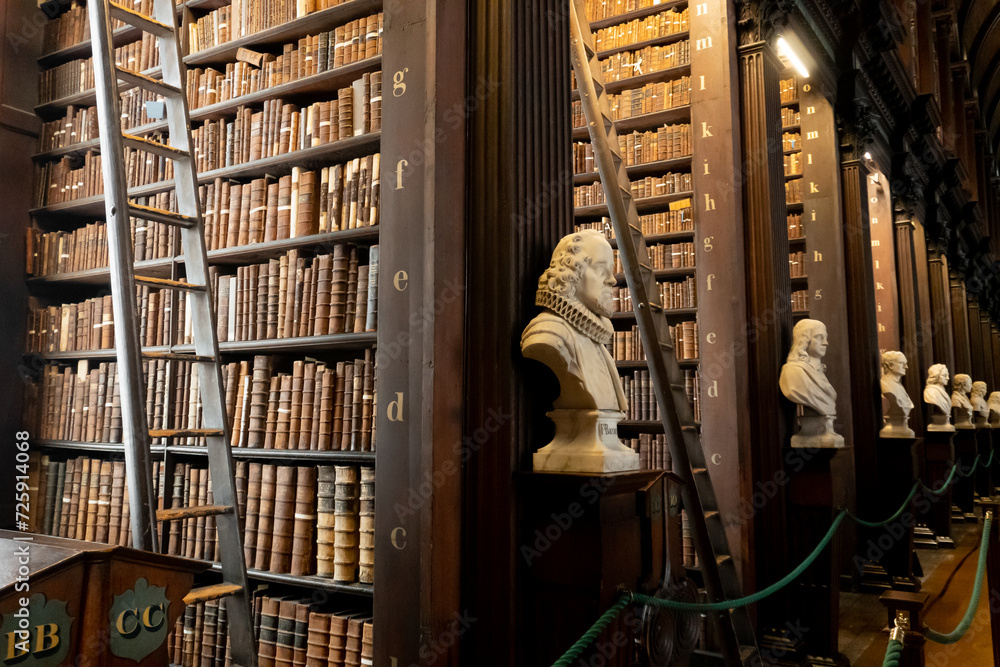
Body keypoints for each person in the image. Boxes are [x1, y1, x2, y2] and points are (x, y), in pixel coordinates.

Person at [779, 318, 837, 417]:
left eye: (825, 337)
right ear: (804, 339)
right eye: (819, 337)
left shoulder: (820, 370)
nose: (825, 342)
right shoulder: (793, 371)